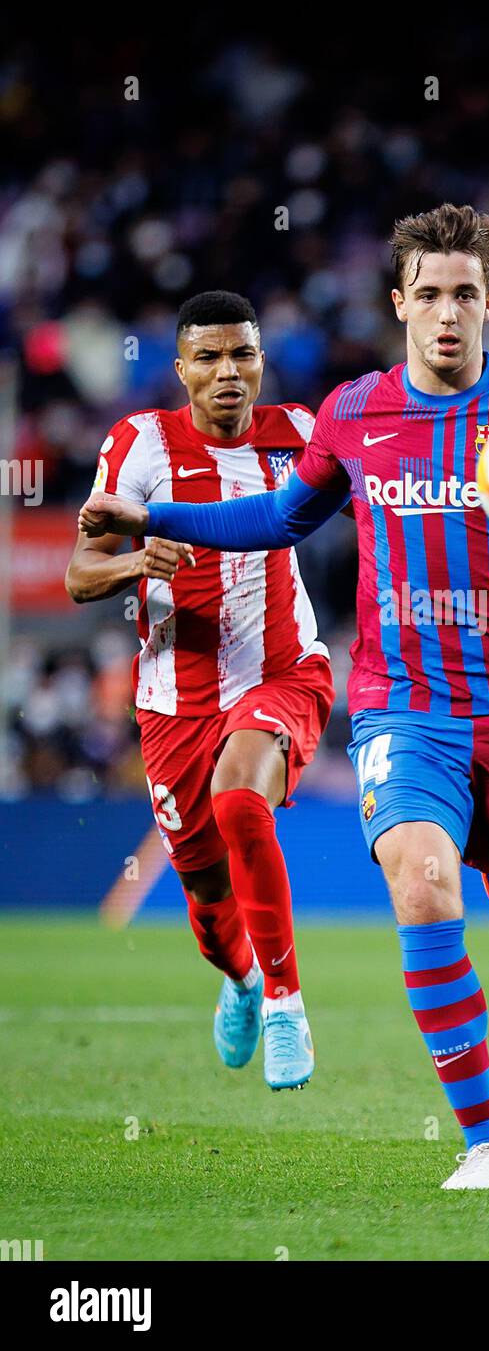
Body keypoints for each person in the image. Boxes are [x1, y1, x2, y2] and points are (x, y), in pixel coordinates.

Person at [79, 206, 489, 1189]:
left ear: (487, 303)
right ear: (398, 303)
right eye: (426, 294)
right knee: (418, 884)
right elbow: (278, 515)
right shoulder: (353, 412)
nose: (445, 314)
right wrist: (153, 514)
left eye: (463, 295)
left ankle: (477, 840)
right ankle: (485, 1145)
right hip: (404, 710)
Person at [68, 291, 336, 1092]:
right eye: (209, 358)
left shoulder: (305, 435)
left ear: (261, 362)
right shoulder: (138, 443)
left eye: (243, 355)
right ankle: (244, 978)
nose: (228, 372)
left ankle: (288, 1007)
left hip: (282, 673)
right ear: (179, 368)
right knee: (208, 898)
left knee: (241, 801)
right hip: (173, 701)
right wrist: (130, 564)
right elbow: (83, 572)